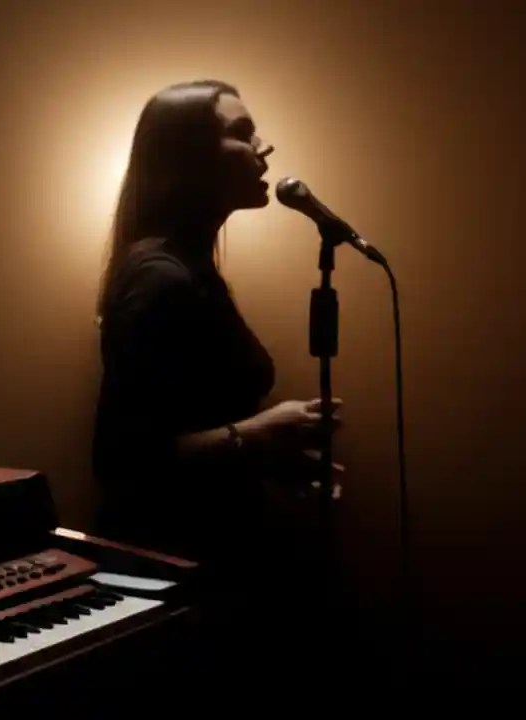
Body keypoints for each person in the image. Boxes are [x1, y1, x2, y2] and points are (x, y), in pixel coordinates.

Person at [92, 79, 342, 593]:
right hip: (176, 575)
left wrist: (275, 458)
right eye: (242, 133)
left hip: (216, 558)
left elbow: (193, 416)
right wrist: (257, 433)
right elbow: (124, 462)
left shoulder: (190, 268)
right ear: (190, 158)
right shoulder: (159, 278)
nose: (263, 146)